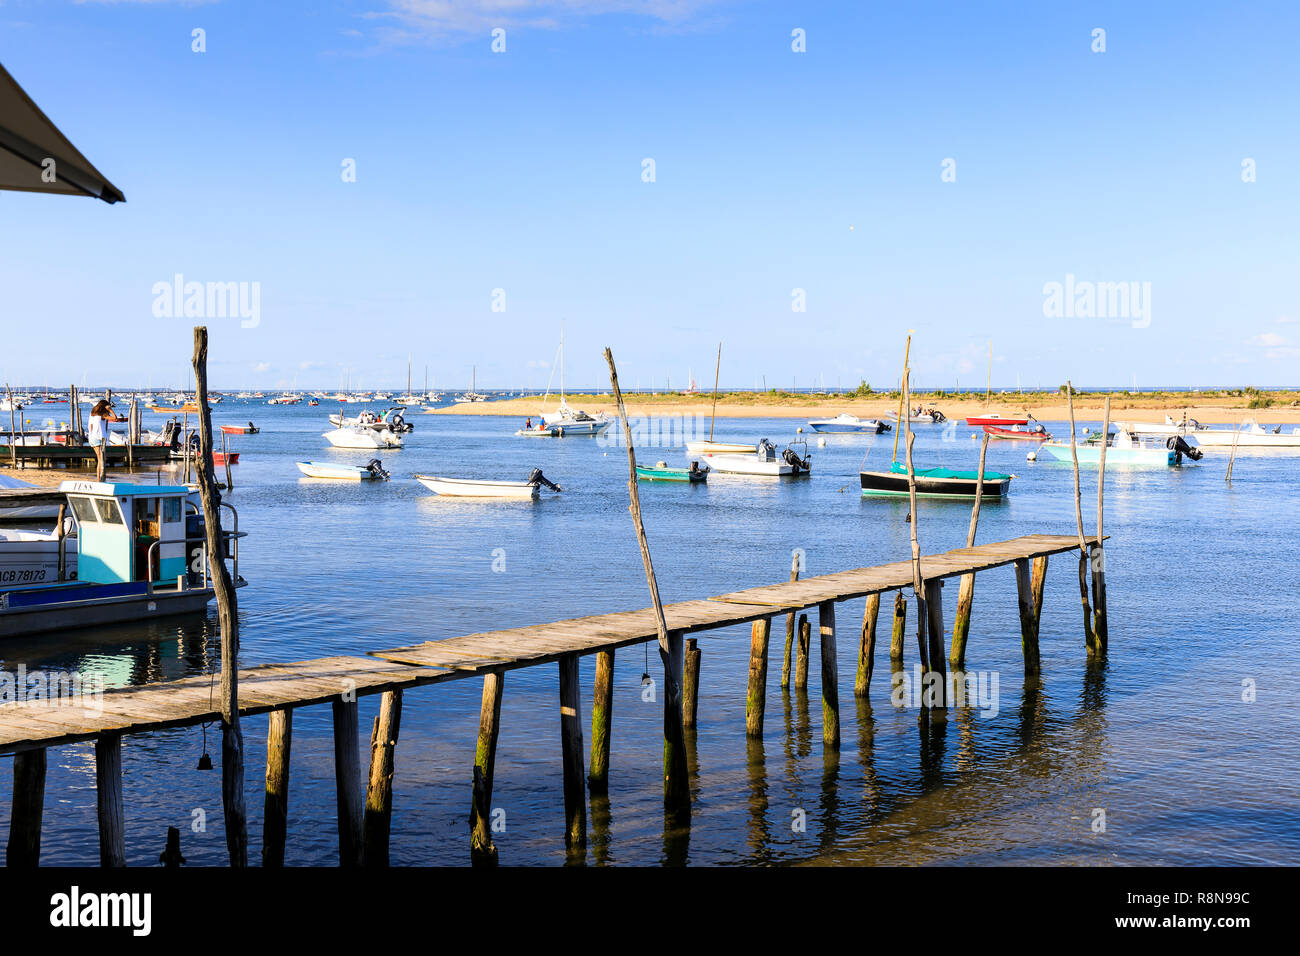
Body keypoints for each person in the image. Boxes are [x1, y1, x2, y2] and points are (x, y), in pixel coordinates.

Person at [88, 399, 124, 482]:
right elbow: (115, 419)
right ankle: (100, 479)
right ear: (104, 406)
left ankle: (99, 478)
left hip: (92, 438)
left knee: (100, 459)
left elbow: (91, 426)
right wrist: (110, 410)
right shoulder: (102, 414)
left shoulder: (92, 413)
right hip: (99, 438)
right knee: (101, 460)